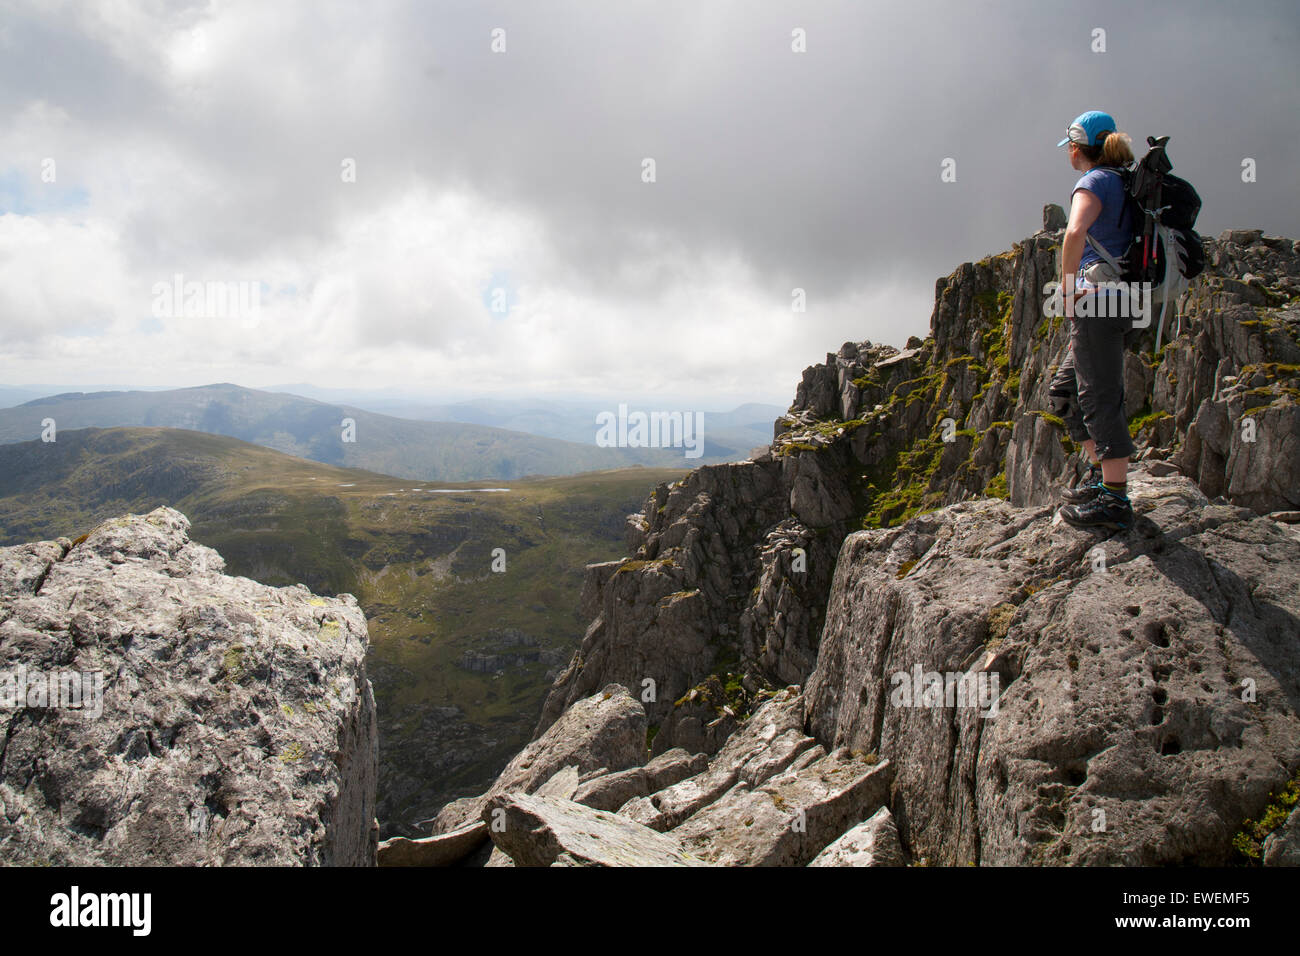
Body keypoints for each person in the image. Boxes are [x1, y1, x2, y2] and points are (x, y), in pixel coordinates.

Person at [1048, 110, 1137, 530]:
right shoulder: (1122, 181)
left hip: (1099, 302)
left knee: (1098, 394)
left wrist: (1066, 291)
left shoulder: (1095, 182)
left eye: (1069, 144)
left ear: (1077, 147)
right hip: (1120, 301)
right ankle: (1102, 476)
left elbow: (1074, 232)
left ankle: (1115, 499)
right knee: (1064, 390)